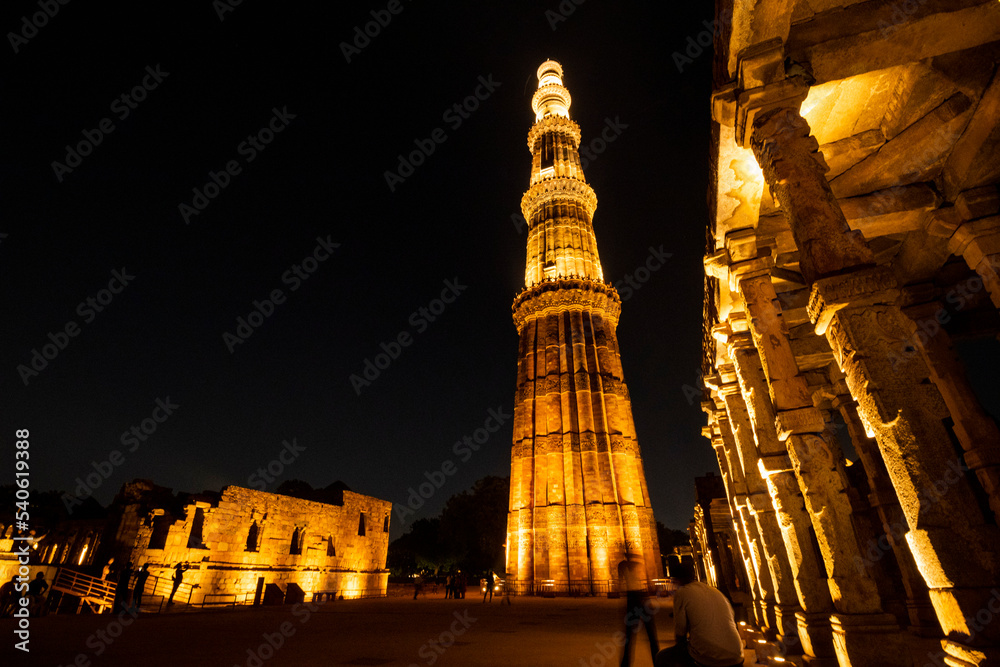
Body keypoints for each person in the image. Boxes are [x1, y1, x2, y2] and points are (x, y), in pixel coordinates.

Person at [655, 563, 744, 667]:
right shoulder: (714, 591)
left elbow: (680, 632)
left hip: (711, 658)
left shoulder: (682, 592)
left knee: (661, 657)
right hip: (737, 654)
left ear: (676, 580)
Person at [618, 553, 659, 667]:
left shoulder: (622, 565)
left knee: (629, 635)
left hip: (632, 597)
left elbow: (621, 583)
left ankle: (625, 663)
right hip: (642, 596)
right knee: (651, 634)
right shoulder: (639, 563)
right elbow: (649, 581)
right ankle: (657, 662)